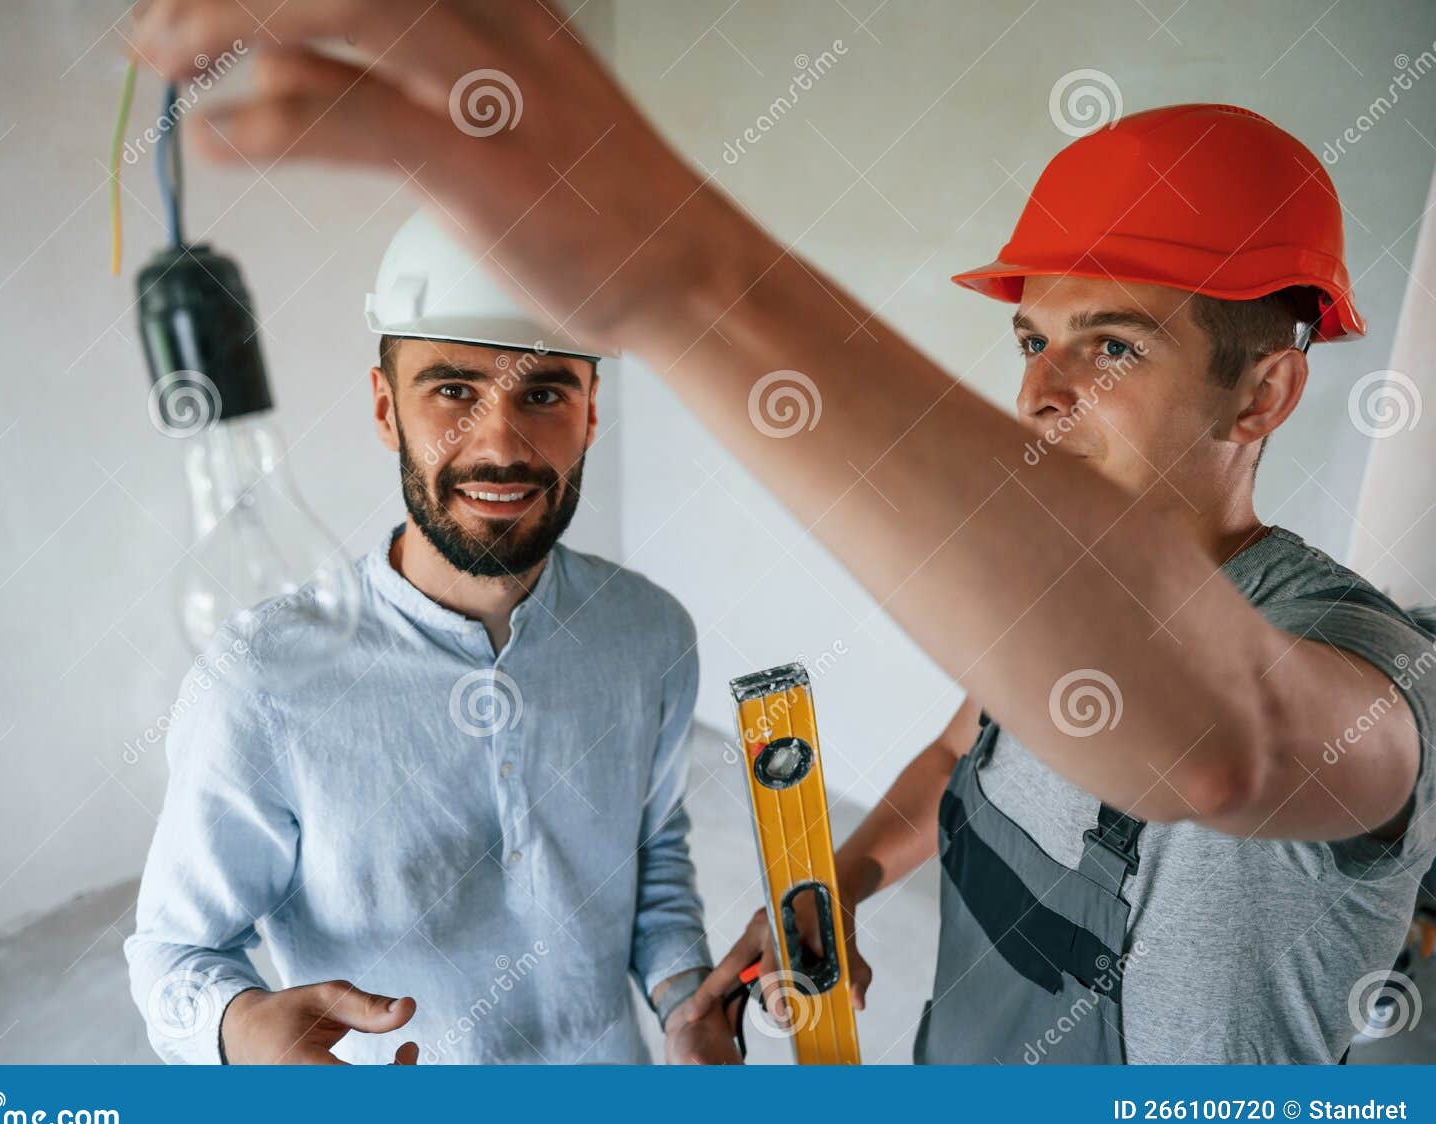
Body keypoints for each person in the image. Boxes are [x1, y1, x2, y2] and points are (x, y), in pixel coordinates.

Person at [127, 2, 1436, 1064]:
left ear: (1263, 392)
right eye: (1032, 340)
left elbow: (1222, 746)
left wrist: (686, 279)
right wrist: (842, 882)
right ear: (383, 407)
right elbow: (963, 747)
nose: (1040, 391)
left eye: (1112, 346)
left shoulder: (1371, 671)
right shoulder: (263, 671)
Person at [124, 211, 739, 1065]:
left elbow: (650, 851)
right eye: (452, 390)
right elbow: (173, 953)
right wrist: (238, 1027)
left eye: (544, 394)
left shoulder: (649, 632)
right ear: (386, 409)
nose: (500, 444)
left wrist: (684, 1001)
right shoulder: (260, 679)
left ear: (592, 412)